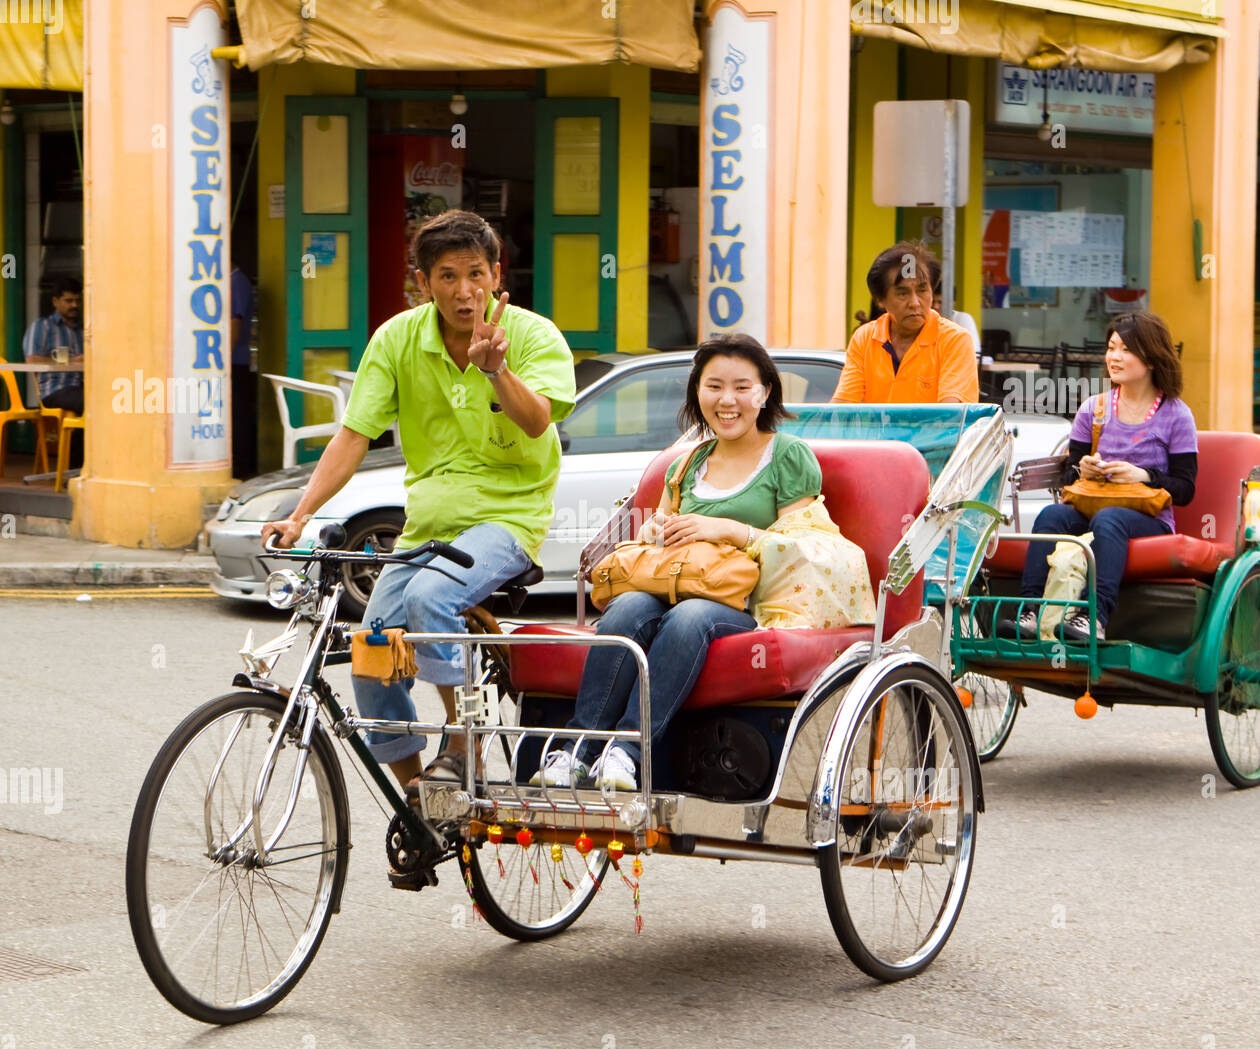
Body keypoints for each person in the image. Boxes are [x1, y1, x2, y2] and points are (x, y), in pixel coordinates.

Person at [261, 210, 576, 789]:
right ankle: (416, 803)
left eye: (476, 274)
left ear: (496, 274)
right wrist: (300, 513)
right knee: (373, 645)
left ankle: (462, 744)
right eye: (448, 276)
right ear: (423, 282)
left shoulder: (531, 336)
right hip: (427, 527)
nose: (465, 291)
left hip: (507, 519)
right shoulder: (397, 339)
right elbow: (354, 434)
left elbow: (536, 422)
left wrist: (497, 370)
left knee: (434, 596)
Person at [535, 334, 823, 792]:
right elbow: (662, 527)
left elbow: (803, 544)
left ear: (765, 392)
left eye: (742, 387)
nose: (727, 400)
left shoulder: (787, 456)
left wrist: (727, 530)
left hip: (748, 600)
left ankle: (627, 753)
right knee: (627, 609)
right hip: (673, 586)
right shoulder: (688, 462)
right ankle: (578, 749)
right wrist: (655, 532)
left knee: (690, 618)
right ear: (697, 393)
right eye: (714, 386)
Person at [1003, 312, 1198, 642]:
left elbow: (1185, 488)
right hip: (1091, 507)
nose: (1115, 357)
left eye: (1126, 349)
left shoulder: (1176, 414)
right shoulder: (1093, 409)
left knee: (1109, 520)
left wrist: (1142, 475)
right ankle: (1031, 610)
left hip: (1148, 518)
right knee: (1052, 514)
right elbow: (1069, 477)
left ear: (1151, 357)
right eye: (1111, 348)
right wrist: (1084, 469)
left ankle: (1093, 617)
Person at [834, 242, 978, 404]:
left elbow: (951, 415)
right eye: (903, 293)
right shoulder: (865, 338)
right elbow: (842, 406)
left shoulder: (954, 339)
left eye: (922, 290)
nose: (915, 302)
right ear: (880, 300)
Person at [23, 277, 84, 414]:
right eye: (69, 301)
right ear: (55, 302)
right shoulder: (42, 326)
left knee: (111, 397)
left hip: (80, 387)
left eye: (77, 301)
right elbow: (31, 360)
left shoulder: (83, 330)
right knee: (89, 401)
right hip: (54, 390)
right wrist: (71, 361)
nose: (74, 305)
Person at [229, 262, 257, 478]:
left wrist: (221, 360)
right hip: (232, 361)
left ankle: (243, 467)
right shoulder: (232, 280)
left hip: (235, 362)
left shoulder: (237, 281)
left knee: (238, 417)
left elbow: (235, 323)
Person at [931, 263, 981, 360]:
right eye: (933, 301)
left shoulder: (962, 319)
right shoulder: (924, 320)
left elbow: (974, 351)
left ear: (952, 303)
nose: (935, 306)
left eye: (940, 302)